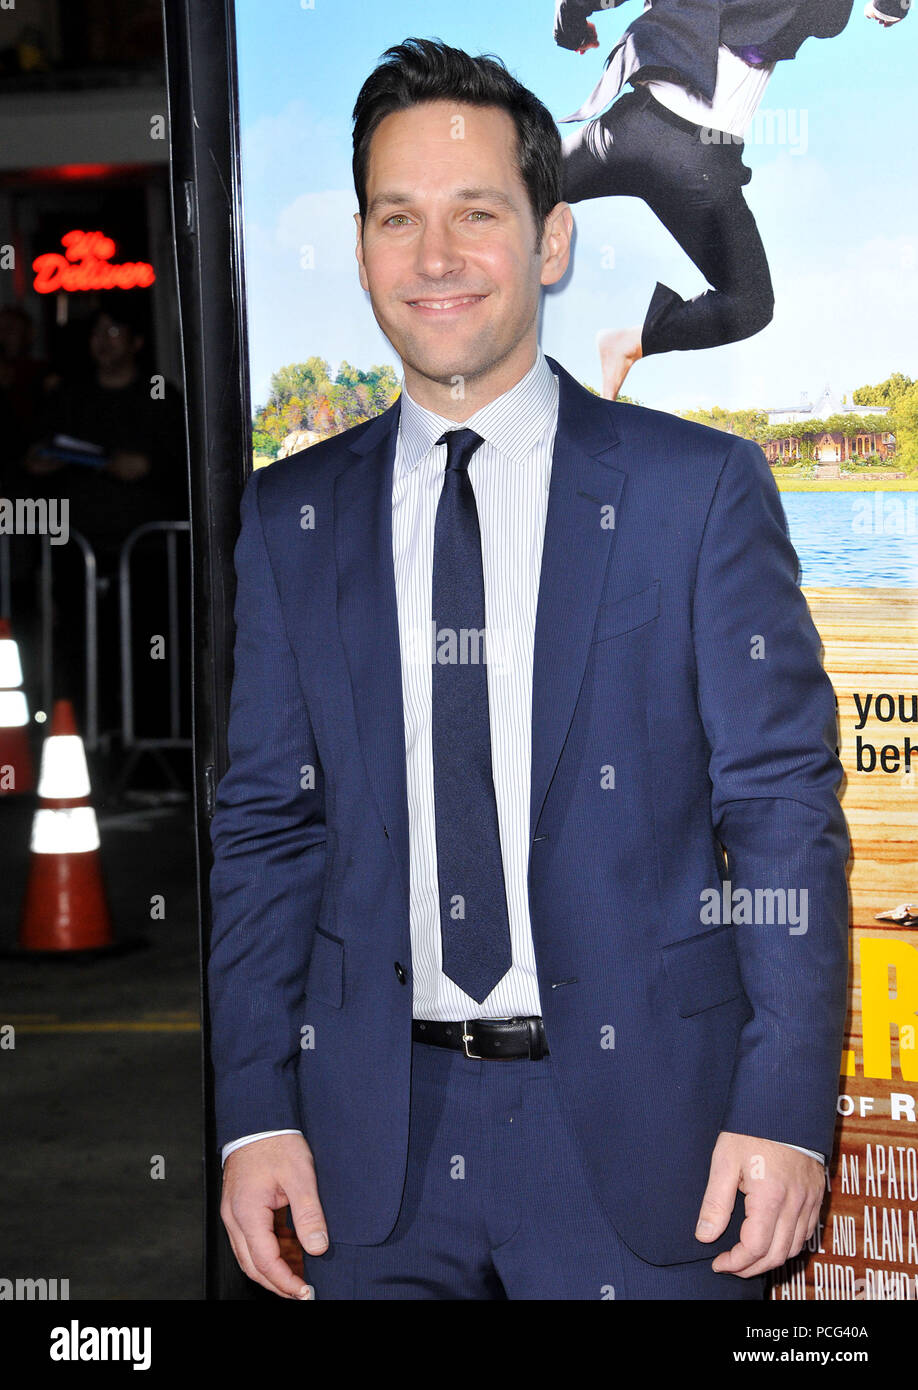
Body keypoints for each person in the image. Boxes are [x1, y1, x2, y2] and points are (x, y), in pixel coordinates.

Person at [209, 38, 850, 1301]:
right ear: (360, 249)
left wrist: (783, 1106)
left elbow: (780, 813)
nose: (435, 259)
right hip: (365, 1148)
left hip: (651, 1139)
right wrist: (249, 1110)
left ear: (552, 241)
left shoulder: (697, 493)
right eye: (399, 218)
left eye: (477, 215)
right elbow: (266, 833)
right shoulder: (291, 517)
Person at [554, 0, 909, 398]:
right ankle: (628, 344)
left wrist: (571, 28)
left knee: (515, 194)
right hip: (699, 164)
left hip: (630, 132)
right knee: (750, 304)